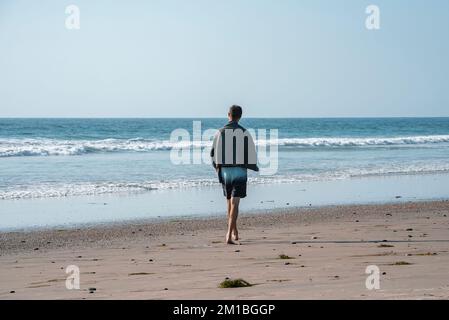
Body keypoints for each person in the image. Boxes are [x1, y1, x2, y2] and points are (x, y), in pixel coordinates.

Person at [210, 105, 259, 244]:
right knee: (235, 203)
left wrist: (217, 168)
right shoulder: (244, 132)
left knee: (229, 201)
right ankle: (228, 234)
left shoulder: (219, 132)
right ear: (240, 116)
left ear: (228, 115)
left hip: (225, 171)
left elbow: (213, 153)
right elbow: (251, 153)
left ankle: (235, 231)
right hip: (239, 171)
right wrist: (252, 166)